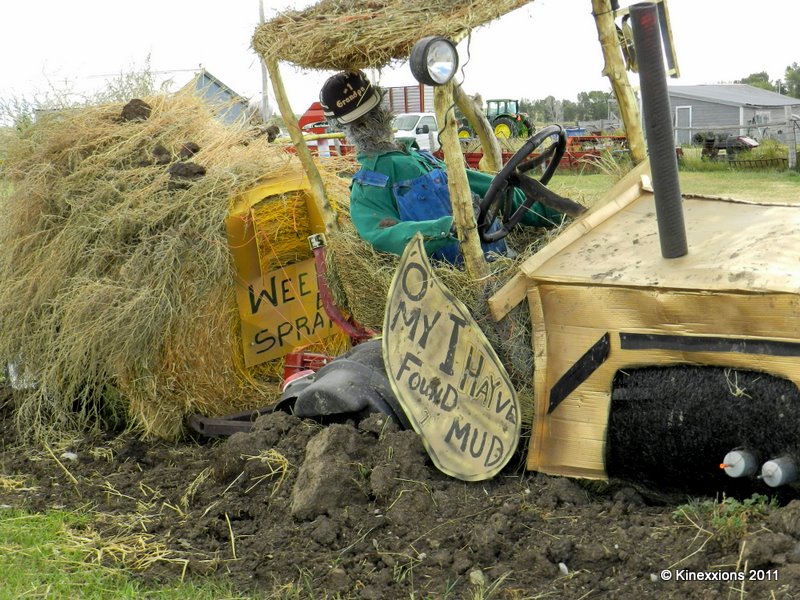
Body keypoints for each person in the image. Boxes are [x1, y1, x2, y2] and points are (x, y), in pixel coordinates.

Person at [319, 70, 566, 264]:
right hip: (457, 286)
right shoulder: (368, 186)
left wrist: (562, 213)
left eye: (372, 114)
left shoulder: (422, 158)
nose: (369, 123)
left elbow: (495, 187)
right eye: (360, 122)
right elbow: (383, 234)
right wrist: (448, 227)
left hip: (502, 260)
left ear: (384, 110)